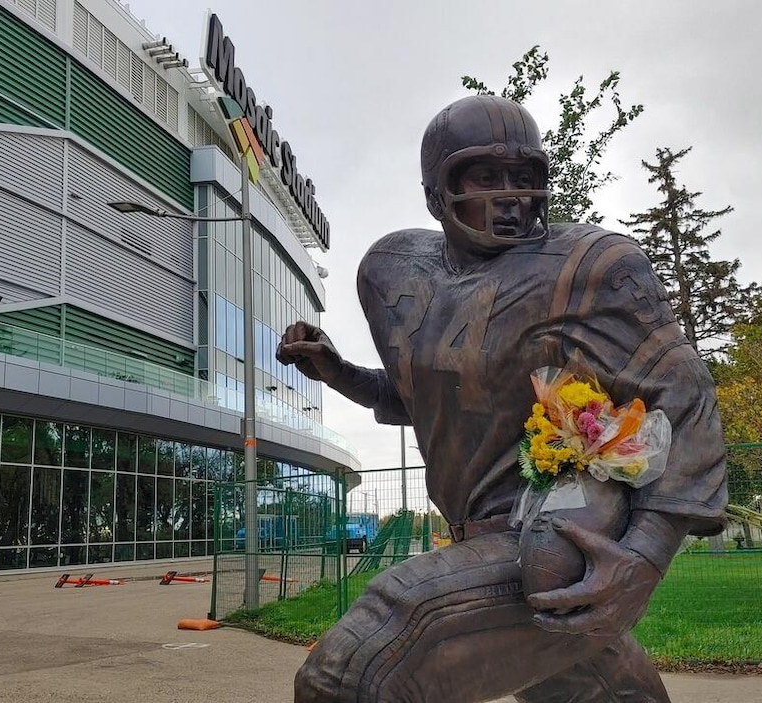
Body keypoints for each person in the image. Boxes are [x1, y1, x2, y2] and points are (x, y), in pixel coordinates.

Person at [277, 95, 727, 703]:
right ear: (438, 190)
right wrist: (340, 373)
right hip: (478, 544)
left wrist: (646, 553)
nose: (510, 194)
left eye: (523, 177)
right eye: (486, 176)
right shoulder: (397, 270)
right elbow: (434, 398)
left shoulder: (586, 267)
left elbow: (686, 399)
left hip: (547, 539)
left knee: (351, 676)